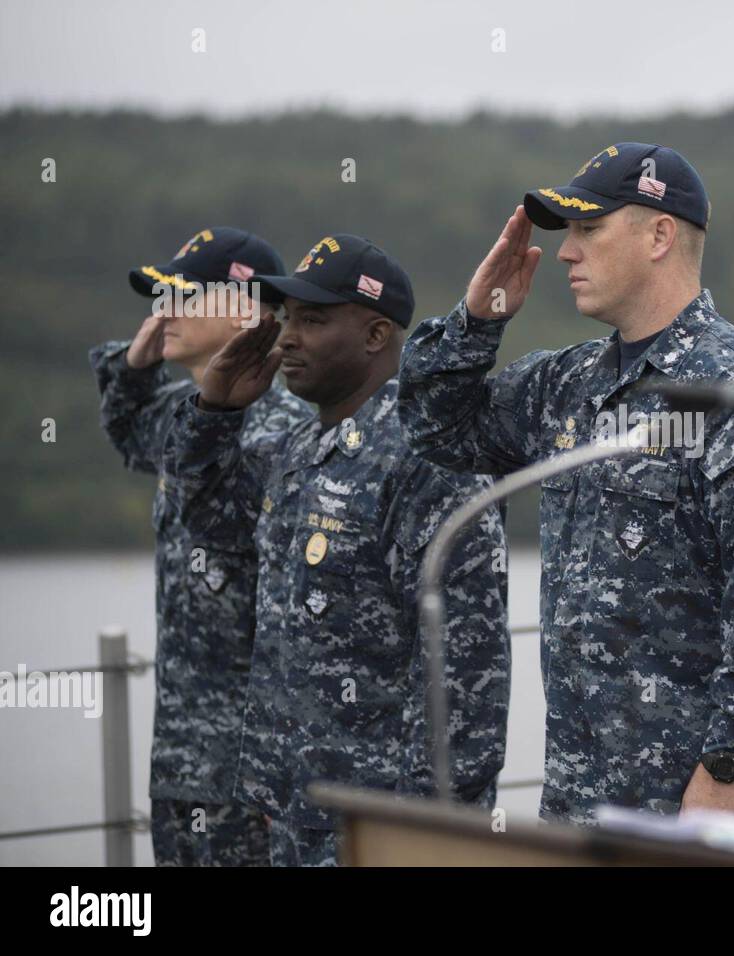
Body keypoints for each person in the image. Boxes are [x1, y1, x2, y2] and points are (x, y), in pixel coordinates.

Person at [398, 144, 734, 824]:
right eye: (567, 232)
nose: (566, 252)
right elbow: (437, 430)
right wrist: (477, 324)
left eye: (588, 229)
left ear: (659, 235)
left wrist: (727, 765)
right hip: (580, 794)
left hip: (693, 799)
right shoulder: (568, 385)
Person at [161, 234, 511, 865]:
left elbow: (464, 677)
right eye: (287, 319)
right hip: (292, 812)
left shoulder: (429, 462)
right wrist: (214, 410)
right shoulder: (297, 449)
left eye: (313, 321)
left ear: (377, 335)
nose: (286, 338)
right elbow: (210, 520)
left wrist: (427, 835)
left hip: (379, 824)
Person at [90, 226, 307, 866]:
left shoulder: (283, 428)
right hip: (185, 754)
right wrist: (134, 367)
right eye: (161, 297)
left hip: (252, 767)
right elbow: (131, 431)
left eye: (184, 296)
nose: (164, 310)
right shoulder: (192, 417)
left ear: (247, 310)